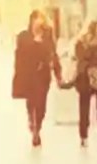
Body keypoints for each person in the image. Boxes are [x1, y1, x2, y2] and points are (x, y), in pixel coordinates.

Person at [13, 10, 62, 147]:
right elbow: (20, 55)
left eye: (42, 19)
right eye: (37, 19)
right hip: (29, 74)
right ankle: (32, 122)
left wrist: (58, 74)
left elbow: (53, 54)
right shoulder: (24, 37)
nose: (40, 22)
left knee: (41, 103)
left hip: (43, 75)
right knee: (31, 101)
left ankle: (37, 126)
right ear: (32, 21)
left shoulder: (47, 37)